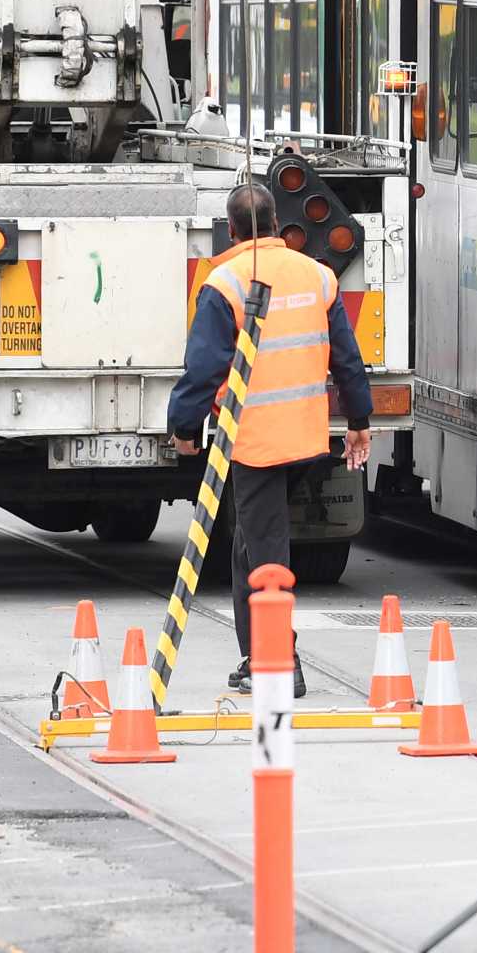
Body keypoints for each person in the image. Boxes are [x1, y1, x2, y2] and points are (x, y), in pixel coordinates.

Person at [168, 184, 373, 693]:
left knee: (264, 554)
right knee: (249, 544)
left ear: (232, 230)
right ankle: (255, 655)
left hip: (256, 441)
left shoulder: (226, 283)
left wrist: (185, 428)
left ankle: (280, 661)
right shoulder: (317, 275)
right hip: (304, 439)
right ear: (278, 223)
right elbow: (346, 357)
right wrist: (359, 421)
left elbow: (203, 368)